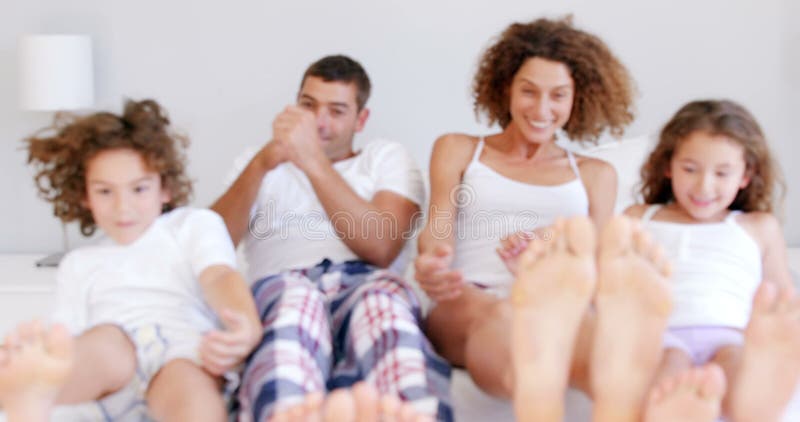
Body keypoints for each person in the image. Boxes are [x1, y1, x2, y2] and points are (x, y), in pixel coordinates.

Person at [414, 16, 679, 422]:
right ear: (506, 87)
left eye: (558, 95)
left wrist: (556, 246)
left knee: (589, 332)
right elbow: (437, 231)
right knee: (504, 317)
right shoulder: (459, 149)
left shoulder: (595, 174)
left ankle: (613, 396)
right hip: (470, 296)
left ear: (578, 97)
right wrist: (434, 262)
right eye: (529, 91)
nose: (541, 109)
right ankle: (539, 371)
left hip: (562, 299)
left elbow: (596, 263)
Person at [211, 55, 451, 421]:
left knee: (383, 308)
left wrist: (312, 161)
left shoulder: (385, 158)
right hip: (283, 281)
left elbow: (381, 247)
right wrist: (261, 164)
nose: (319, 122)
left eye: (336, 111)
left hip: (365, 280)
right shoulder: (256, 162)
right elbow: (212, 247)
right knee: (294, 304)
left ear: (361, 120)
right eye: (308, 106)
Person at [0, 99, 262, 422]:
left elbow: (218, 275)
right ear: (84, 195)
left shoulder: (192, 225)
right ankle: (31, 392)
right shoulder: (79, 263)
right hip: (112, 373)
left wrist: (245, 323)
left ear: (164, 188)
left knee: (187, 383)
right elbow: (69, 337)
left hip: (182, 352)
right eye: (105, 192)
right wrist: (52, 357)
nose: (122, 207)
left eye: (138, 189)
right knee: (102, 345)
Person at [626, 99, 800, 422]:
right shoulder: (640, 217)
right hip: (663, 331)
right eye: (690, 169)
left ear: (746, 175)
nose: (704, 186)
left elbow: (781, 297)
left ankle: (752, 404)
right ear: (668, 165)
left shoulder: (757, 227)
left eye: (722, 173)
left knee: (733, 366)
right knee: (668, 368)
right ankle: (676, 410)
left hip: (729, 333)